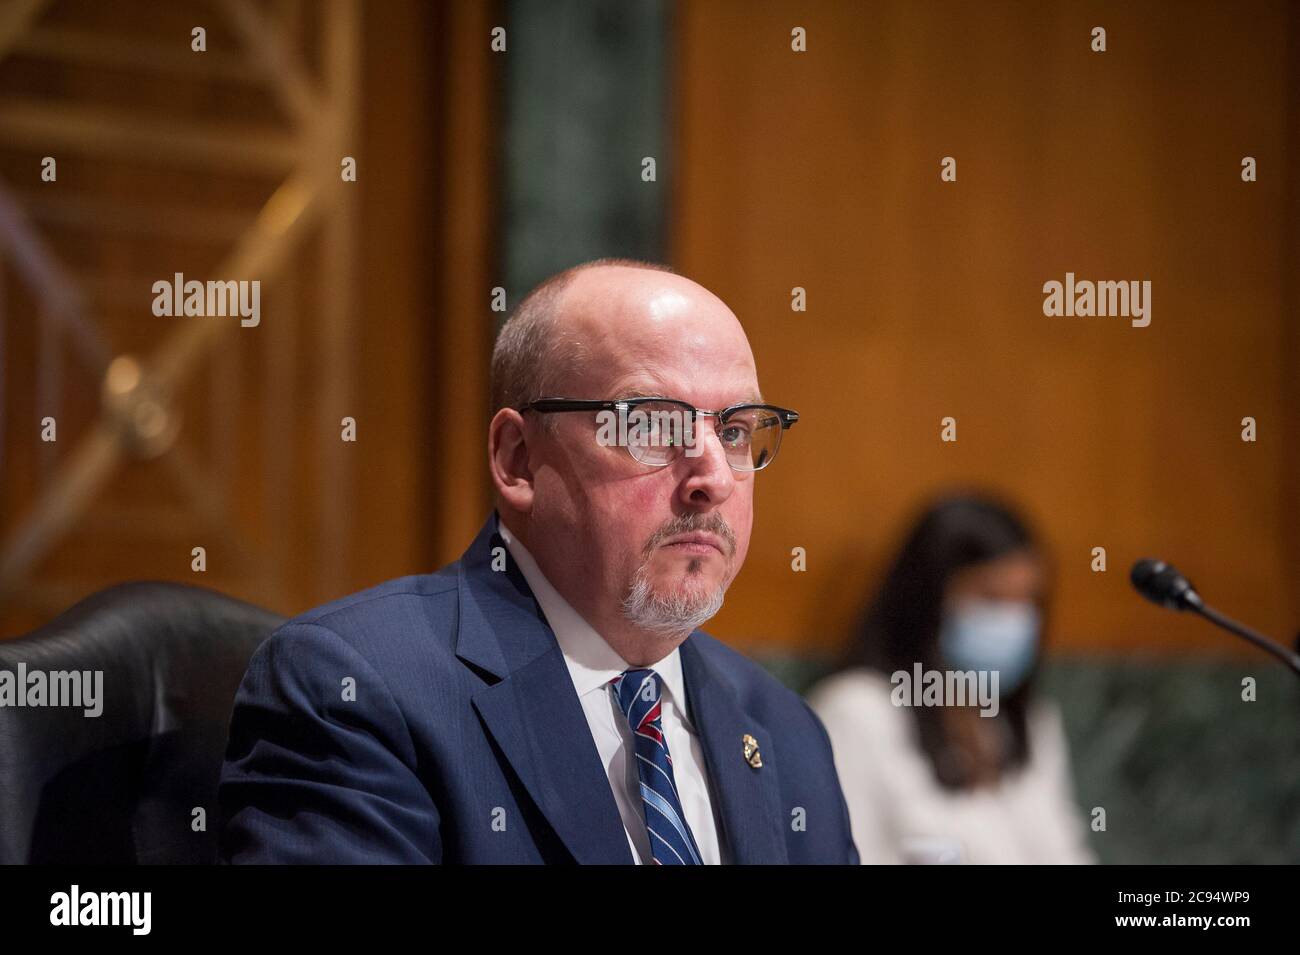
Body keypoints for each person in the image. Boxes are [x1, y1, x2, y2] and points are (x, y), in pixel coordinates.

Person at [219, 258, 859, 864]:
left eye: (735, 431)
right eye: (653, 426)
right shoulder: (356, 689)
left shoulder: (786, 732)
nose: (713, 478)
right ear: (518, 459)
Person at [806, 494, 1096, 864]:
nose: (1014, 622)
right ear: (928, 599)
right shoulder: (857, 712)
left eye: (1028, 601)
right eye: (991, 597)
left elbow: (1066, 853)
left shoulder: (1027, 720)